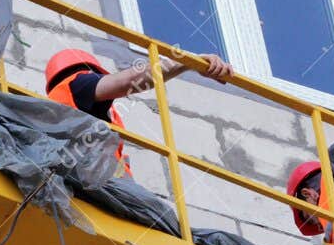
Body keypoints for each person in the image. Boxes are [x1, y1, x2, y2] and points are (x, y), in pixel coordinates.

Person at [43, 48, 234, 175]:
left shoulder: (59, 105)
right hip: (90, 179)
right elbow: (127, 82)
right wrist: (186, 62)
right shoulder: (79, 84)